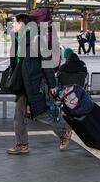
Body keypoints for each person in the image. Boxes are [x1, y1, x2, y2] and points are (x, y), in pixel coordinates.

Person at [7, 13, 72, 155]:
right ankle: (22, 144)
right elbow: (16, 62)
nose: (12, 25)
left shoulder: (36, 39)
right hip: (23, 83)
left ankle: (63, 130)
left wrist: (52, 84)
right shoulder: (18, 39)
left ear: (22, 24)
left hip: (34, 83)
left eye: (15, 22)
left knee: (40, 114)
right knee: (19, 115)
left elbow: (46, 63)